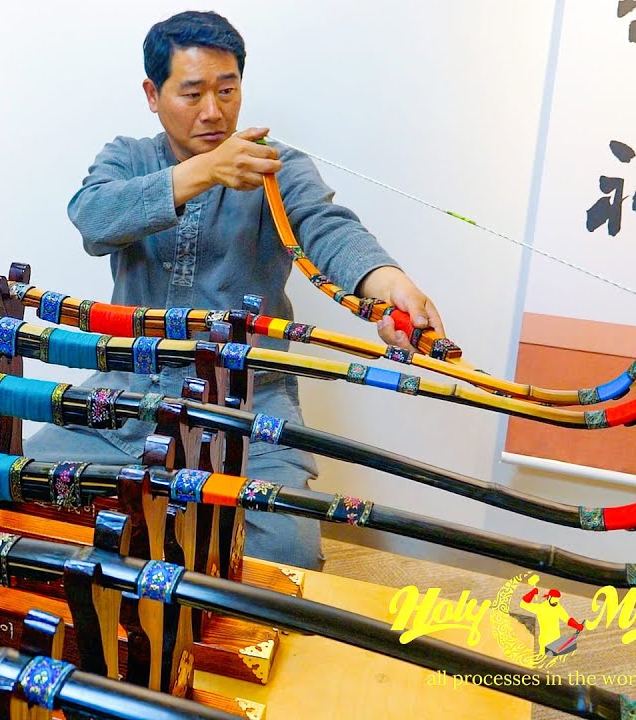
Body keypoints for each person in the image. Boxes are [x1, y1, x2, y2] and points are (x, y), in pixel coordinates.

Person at [25, 10, 446, 569]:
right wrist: (205, 171)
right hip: (128, 394)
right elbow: (93, 217)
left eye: (227, 90)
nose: (214, 111)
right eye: (192, 92)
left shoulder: (278, 167)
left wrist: (388, 286)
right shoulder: (129, 157)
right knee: (23, 490)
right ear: (152, 94)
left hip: (250, 406)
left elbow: (329, 228)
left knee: (286, 553)